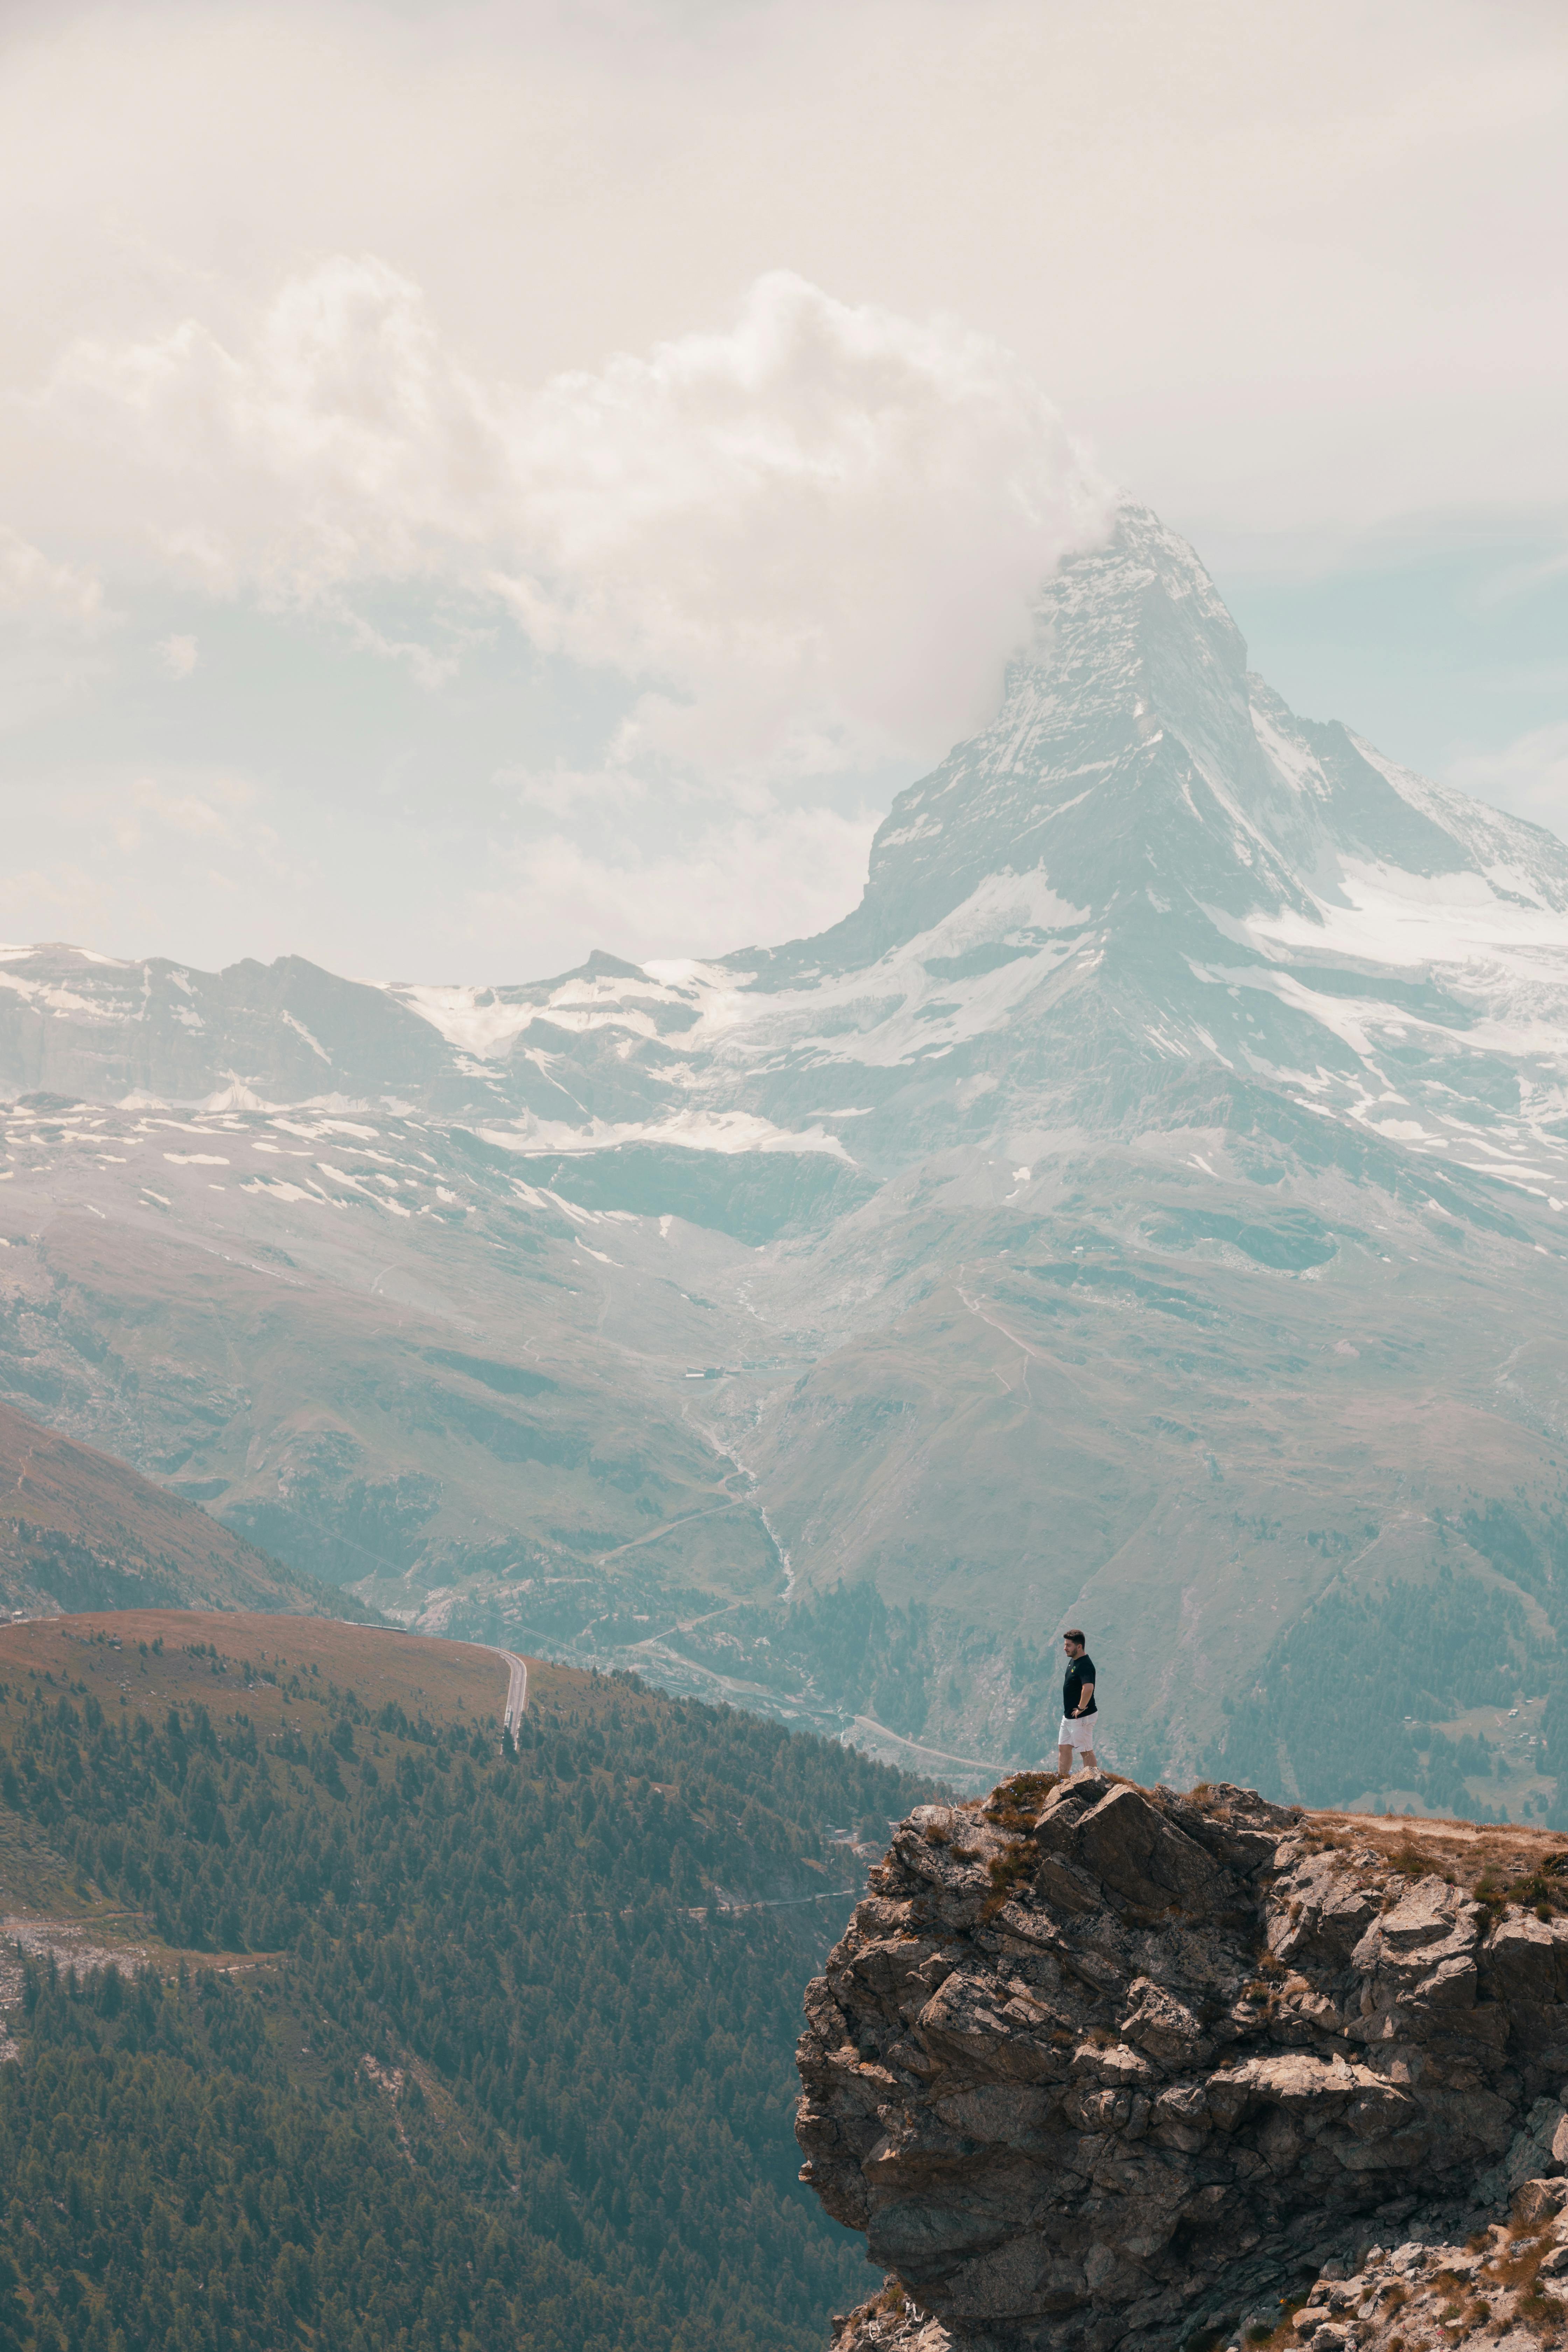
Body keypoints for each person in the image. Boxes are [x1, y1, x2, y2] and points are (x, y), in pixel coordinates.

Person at [1057, 1629, 1098, 1775]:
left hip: (1081, 1717)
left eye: (1069, 1645)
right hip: (1069, 1716)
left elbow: (1088, 1688)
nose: (1065, 1648)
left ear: (1079, 1647)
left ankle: (1093, 1780)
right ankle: (1062, 1780)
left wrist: (1081, 1708)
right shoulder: (1074, 1660)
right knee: (1064, 1748)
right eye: (1065, 1644)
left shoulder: (1085, 1664)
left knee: (1086, 1751)